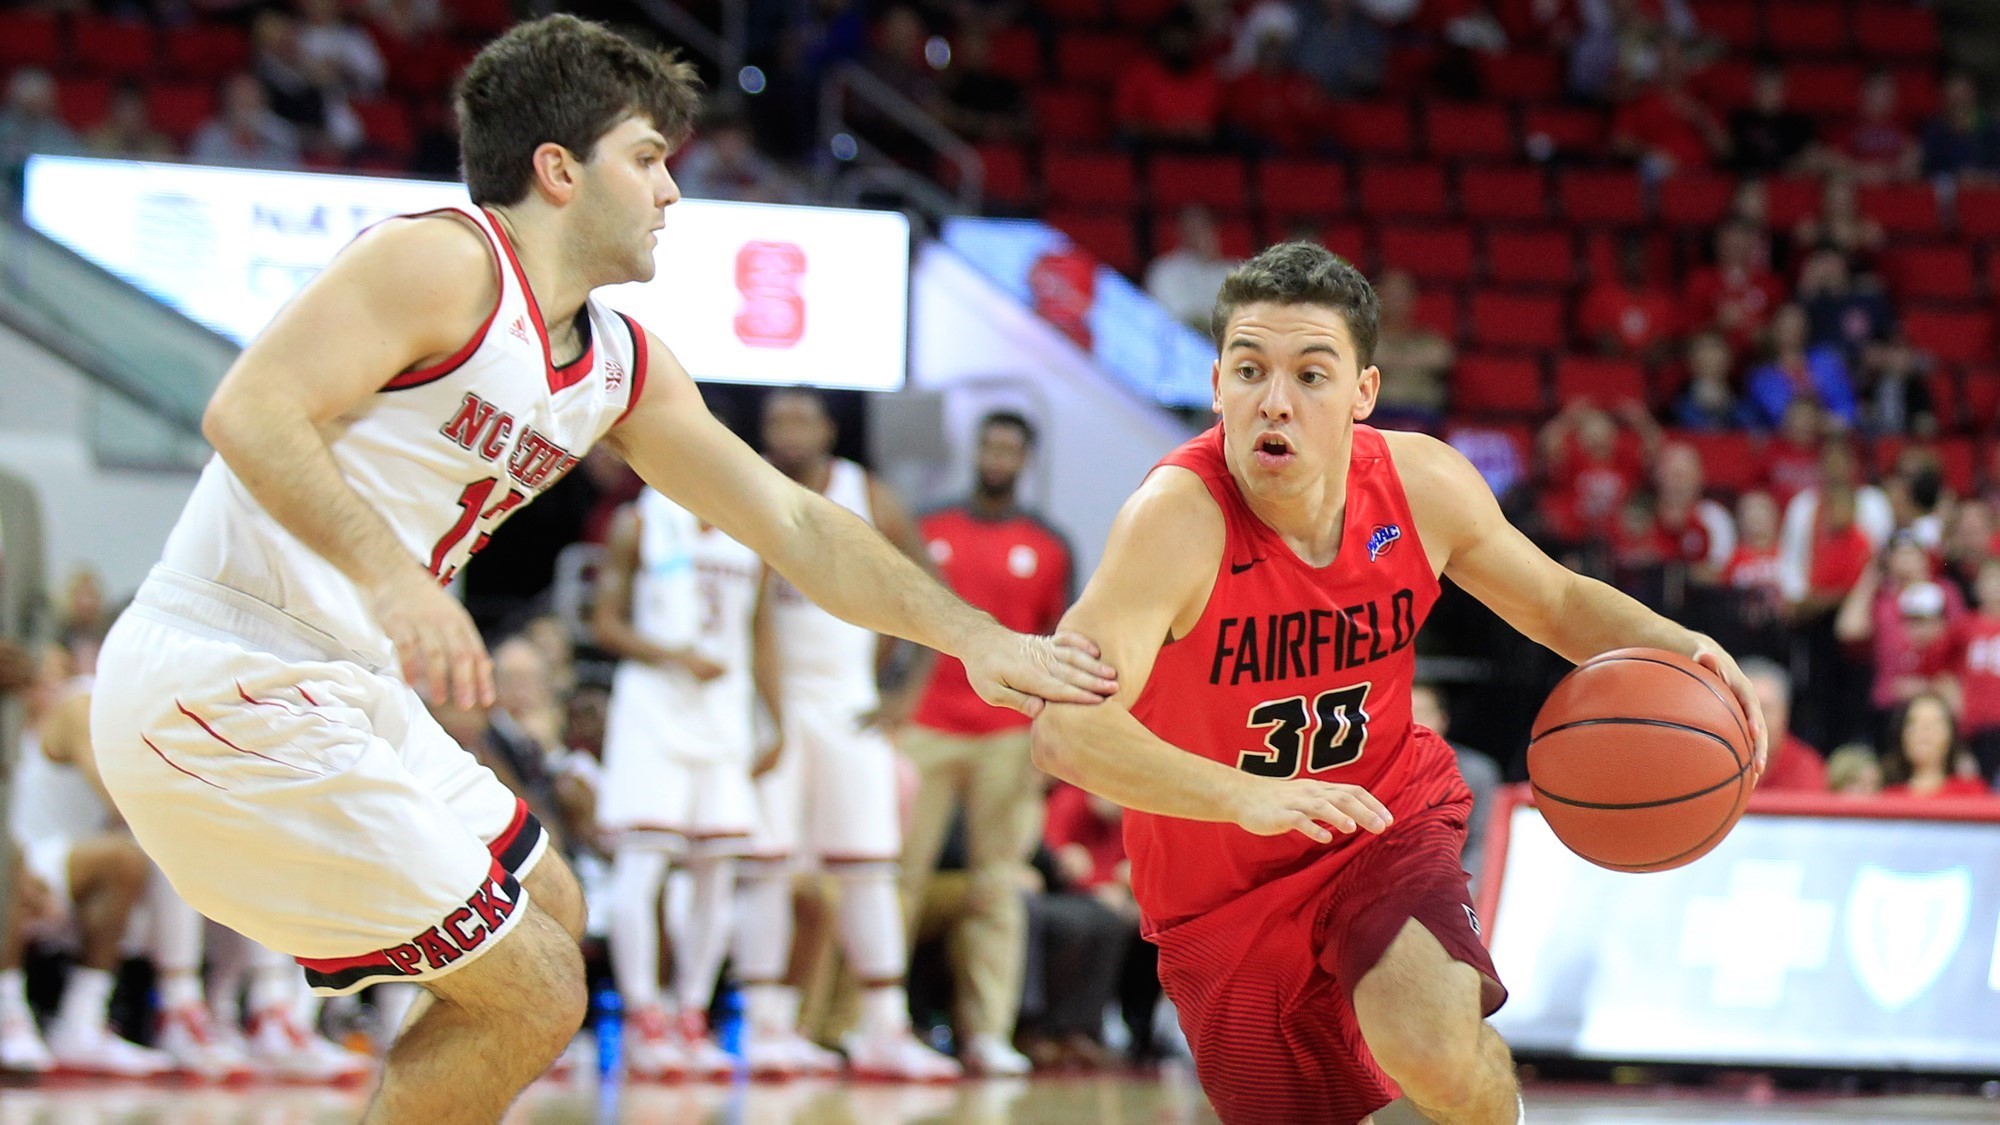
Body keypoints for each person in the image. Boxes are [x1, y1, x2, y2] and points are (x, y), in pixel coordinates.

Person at [87, 16, 1113, 1123]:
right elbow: (250, 410)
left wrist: (975, 638)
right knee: (532, 993)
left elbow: (795, 523)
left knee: (554, 905)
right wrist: (395, 581)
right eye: (647, 157)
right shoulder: (443, 258)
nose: (672, 190)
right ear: (558, 170)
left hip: (345, 684)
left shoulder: (619, 363)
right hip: (227, 667)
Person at [1030, 242, 1767, 1125]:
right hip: (1218, 884)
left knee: (1434, 1043)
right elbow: (1066, 731)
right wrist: (1244, 795)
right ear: (1218, 387)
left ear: (1363, 393)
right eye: (1249, 369)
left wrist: (1680, 642)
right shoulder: (1173, 522)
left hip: (1379, 821)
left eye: (1311, 373)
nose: (1276, 399)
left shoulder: (1420, 484)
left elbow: (1557, 600)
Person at [731, 387, 970, 1080]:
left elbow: (931, 592)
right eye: (777, 419)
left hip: (848, 702)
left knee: (867, 867)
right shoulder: (745, 488)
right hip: (770, 704)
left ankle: (883, 1029)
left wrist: (905, 695)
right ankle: (768, 1027)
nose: (790, 430)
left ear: (830, 429)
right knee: (767, 868)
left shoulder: (867, 493)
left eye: (802, 418)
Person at [898, 410, 1074, 1076]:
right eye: (990, 443)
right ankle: (876, 1019)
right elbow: (899, 619)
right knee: (897, 876)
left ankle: (988, 1031)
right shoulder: (929, 526)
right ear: (977, 450)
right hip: (927, 723)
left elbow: (1061, 642)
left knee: (998, 884)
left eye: (1010, 446)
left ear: (1024, 458)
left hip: (1007, 733)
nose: (998, 455)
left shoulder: (1048, 543)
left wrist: (1050, 734)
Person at [592, 489, 772, 1079]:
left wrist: (777, 717)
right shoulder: (639, 521)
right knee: (642, 866)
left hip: (724, 712)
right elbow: (604, 623)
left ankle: (692, 1013)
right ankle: (645, 1015)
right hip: (652, 708)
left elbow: (762, 634)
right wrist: (673, 656)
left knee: (716, 869)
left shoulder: (750, 525)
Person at [1739, 658, 1827, 792]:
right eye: (1744, 709)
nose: (1755, 721)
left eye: (1765, 711)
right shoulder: (1713, 761)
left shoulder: (1805, 768)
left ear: (1785, 714)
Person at [1879, 693, 1989, 798]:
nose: (1923, 732)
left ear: (1950, 735)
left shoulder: (1971, 793)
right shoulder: (1888, 797)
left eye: (1933, 724)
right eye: (1914, 723)